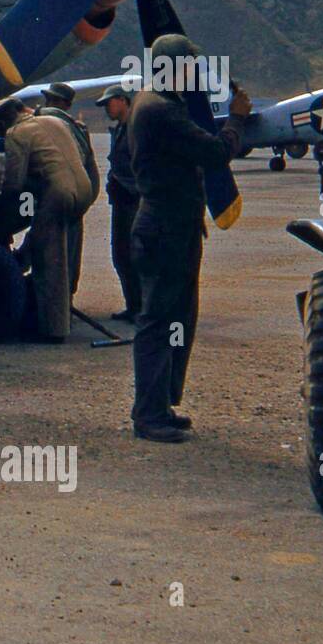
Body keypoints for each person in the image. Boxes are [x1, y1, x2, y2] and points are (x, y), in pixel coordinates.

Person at [128, 34, 251, 442]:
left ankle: (160, 404)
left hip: (173, 226)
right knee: (159, 320)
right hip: (165, 228)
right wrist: (237, 119)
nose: (194, 72)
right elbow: (216, 153)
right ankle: (148, 414)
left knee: (175, 317)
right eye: (189, 65)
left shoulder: (156, 101)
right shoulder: (162, 111)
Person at [0, 98, 92, 342]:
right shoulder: (53, 120)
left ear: (3, 120)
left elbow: (14, 181)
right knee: (67, 253)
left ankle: (53, 330)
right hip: (84, 189)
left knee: (49, 263)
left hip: (58, 194)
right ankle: (64, 311)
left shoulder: (17, 133)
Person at [36, 82, 100, 295]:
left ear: (62, 103)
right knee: (70, 253)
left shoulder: (43, 123)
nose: (49, 103)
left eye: (53, 99)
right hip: (77, 196)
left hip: (53, 197)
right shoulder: (79, 128)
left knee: (50, 254)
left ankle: (54, 309)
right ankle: (65, 302)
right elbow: (91, 170)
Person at [97, 83, 141, 323]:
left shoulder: (136, 128)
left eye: (109, 103)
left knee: (133, 256)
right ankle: (134, 305)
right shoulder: (122, 129)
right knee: (121, 255)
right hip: (122, 201)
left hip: (133, 201)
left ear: (123, 101)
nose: (106, 108)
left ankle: (141, 307)